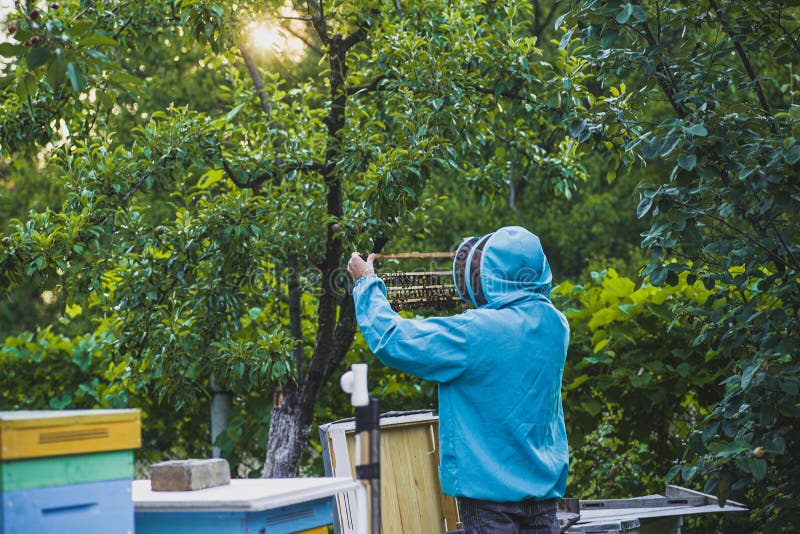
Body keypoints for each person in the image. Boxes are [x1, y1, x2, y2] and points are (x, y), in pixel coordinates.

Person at [347, 226, 569, 534]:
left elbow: (391, 338)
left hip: (488, 503)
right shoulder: (556, 325)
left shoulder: (475, 333)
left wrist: (366, 283)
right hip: (544, 497)